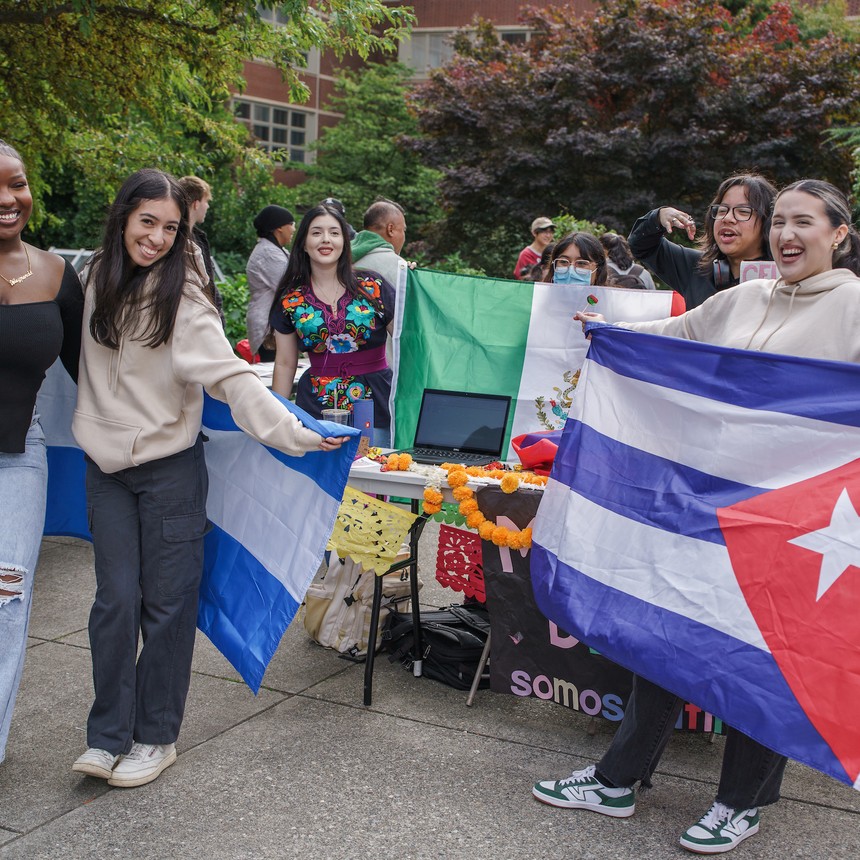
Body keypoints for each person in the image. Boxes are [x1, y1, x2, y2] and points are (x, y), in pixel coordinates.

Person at [536, 180, 860, 854]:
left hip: (793, 522)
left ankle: (740, 802)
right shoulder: (742, 297)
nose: (787, 234)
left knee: (763, 655)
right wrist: (608, 336)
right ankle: (619, 778)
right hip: (705, 503)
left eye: (806, 222)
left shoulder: (855, 307)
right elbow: (670, 342)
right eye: (782, 223)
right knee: (670, 629)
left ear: (839, 235)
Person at [71, 169, 346, 789]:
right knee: (114, 603)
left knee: (167, 606)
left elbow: (232, 378)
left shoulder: (184, 300)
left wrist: (297, 434)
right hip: (105, 471)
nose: (158, 237)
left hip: (169, 472)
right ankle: (106, 736)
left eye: (171, 227)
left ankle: (156, 737)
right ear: (123, 219)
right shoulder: (90, 281)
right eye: (147, 222)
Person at [0, 141, 84, 765]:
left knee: (7, 597)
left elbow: (98, 369)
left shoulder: (56, 274)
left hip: (17, 458)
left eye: (17, 184)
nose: (8, 200)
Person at [270, 202, 395, 447]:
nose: (326, 240)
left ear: (344, 242)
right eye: (316, 233)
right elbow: (285, 363)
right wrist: (277, 419)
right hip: (318, 408)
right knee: (326, 482)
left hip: (375, 402)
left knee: (375, 479)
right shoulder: (290, 299)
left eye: (334, 233)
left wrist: (412, 281)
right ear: (304, 243)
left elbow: (409, 340)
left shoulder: (373, 286)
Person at [628, 174, 777, 309]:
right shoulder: (696, 267)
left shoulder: (785, 278)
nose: (727, 218)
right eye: (722, 210)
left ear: (768, 222)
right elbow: (641, 245)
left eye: (743, 212)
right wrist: (659, 216)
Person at [246, 205, 295, 361]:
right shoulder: (268, 253)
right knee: (274, 373)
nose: (294, 229)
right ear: (279, 227)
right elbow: (290, 286)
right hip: (268, 328)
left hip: (271, 324)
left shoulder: (275, 250)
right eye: (292, 224)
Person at [177, 175, 224, 325]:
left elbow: (209, 284)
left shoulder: (199, 237)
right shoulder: (175, 238)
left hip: (204, 318)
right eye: (206, 201)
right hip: (187, 319)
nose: (208, 206)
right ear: (196, 204)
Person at [351, 198, 408, 288]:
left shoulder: (337, 256)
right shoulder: (399, 268)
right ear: (390, 229)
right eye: (403, 230)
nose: (404, 236)